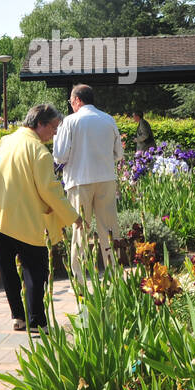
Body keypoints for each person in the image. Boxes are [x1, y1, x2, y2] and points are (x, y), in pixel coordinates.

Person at [0, 103, 82, 332]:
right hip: (25, 220)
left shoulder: (7, 140)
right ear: (40, 124)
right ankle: (36, 321)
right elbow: (50, 190)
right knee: (35, 269)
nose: (55, 133)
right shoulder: (39, 152)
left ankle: (19, 317)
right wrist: (73, 217)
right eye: (53, 127)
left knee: (8, 270)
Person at [53, 84, 124, 282]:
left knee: (79, 230)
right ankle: (114, 276)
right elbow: (118, 154)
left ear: (77, 100)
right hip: (106, 179)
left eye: (71, 102)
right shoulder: (108, 119)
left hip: (79, 180)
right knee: (109, 229)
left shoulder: (70, 121)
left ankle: (79, 279)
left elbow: (59, 156)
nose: (71, 105)